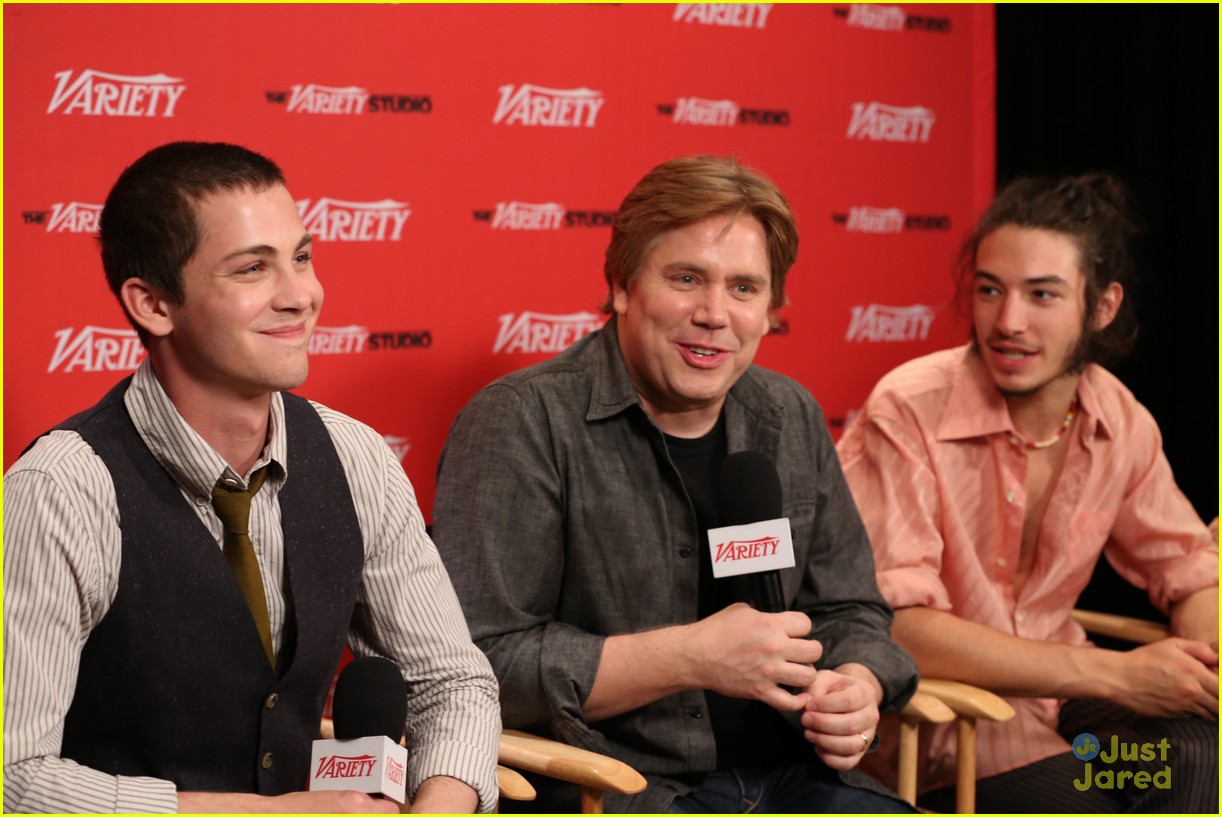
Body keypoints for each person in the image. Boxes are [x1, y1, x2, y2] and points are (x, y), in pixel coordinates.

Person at [2, 142, 501, 814]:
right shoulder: (59, 491)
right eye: (252, 269)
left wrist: (438, 805)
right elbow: (14, 778)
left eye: (302, 257)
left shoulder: (355, 457)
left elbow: (452, 681)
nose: (302, 295)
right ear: (152, 304)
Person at [431, 155, 918, 813]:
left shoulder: (790, 415)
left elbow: (853, 609)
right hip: (618, 787)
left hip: (797, 776)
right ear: (624, 285)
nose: (715, 314)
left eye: (745, 288)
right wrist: (689, 657)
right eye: (687, 278)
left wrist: (857, 683)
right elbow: (476, 664)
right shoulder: (522, 421)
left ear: (772, 308)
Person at [837, 172, 1218, 812]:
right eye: (990, 290)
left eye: (1043, 295)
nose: (1008, 322)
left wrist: (1205, 666)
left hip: (1067, 710)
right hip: (942, 727)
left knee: (1198, 763)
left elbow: (1189, 568)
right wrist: (1119, 674)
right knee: (1090, 802)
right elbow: (894, 627)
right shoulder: (907, 408)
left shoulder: (1118, 417)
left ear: (1102, 306)